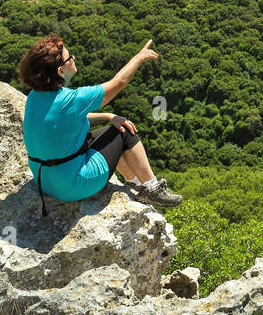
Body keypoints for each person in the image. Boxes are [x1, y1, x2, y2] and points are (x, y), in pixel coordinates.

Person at [18, 35, 181, 214]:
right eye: (69, 57)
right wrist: (139, 57)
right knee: (124, 132)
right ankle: (152, 189)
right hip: (73, 186)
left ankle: (135, 184)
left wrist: (107, 116)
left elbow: (66, 122)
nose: (73, 58)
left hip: (45, 181)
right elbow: (119, 83)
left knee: (110, 129)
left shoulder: (35, 96)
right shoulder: (72, 100)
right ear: (60, 71)